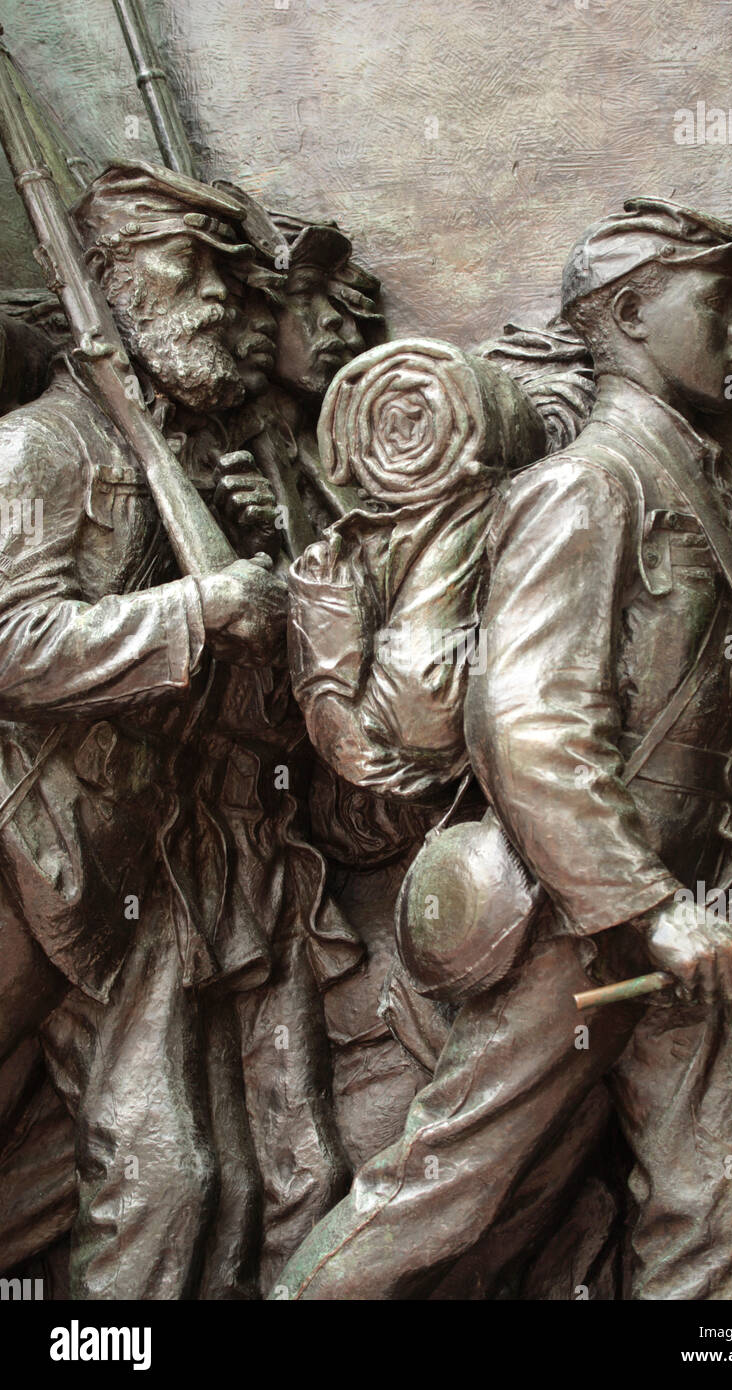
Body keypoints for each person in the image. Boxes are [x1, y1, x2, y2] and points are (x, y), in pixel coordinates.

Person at [272, 198, 732, 1301]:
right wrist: (642, 903)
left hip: (697, 915)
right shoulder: (587, 486)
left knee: (715, 1196)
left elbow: (718, 723)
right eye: (722, 303)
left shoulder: (715, 493)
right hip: (582, 923)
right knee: (446, 1191)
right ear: (630, 313)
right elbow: (528, 719)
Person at [0, 159, 289, 1299]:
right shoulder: (40, 448)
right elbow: (10, 644)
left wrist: (264, 553)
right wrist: (195, 608)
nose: (219, 299)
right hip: (39, 839)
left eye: (229, 274)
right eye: (189, 267)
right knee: (163, 1171)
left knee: (189, 1173)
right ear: (109, 284)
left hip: (140, 855)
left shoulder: (176, 462)